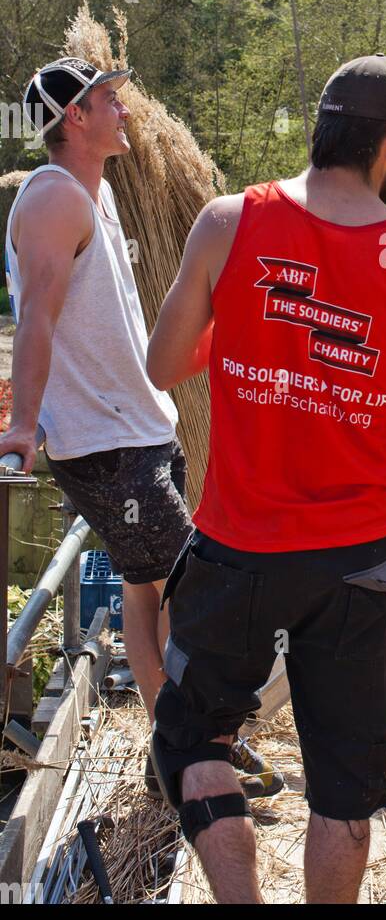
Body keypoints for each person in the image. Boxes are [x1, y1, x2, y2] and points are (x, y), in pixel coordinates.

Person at [147, 53, 386, 904]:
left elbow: (164, 361)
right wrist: (348, 373)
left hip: (235, 550)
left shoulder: (226, 221)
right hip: (358, 561)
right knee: (347, 789)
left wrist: (268, 348)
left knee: (194, 744)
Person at [0, 57, 281, 800]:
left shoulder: (98, 194)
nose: (122, 107)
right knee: (196, 592)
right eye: (105, 98)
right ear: (74, 120)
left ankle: (176, 750)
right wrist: (23, 425)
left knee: (145, 588)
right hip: (105, 444)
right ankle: (197, 751)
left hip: (139, 429)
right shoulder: (54, 199)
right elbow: (35, 321)